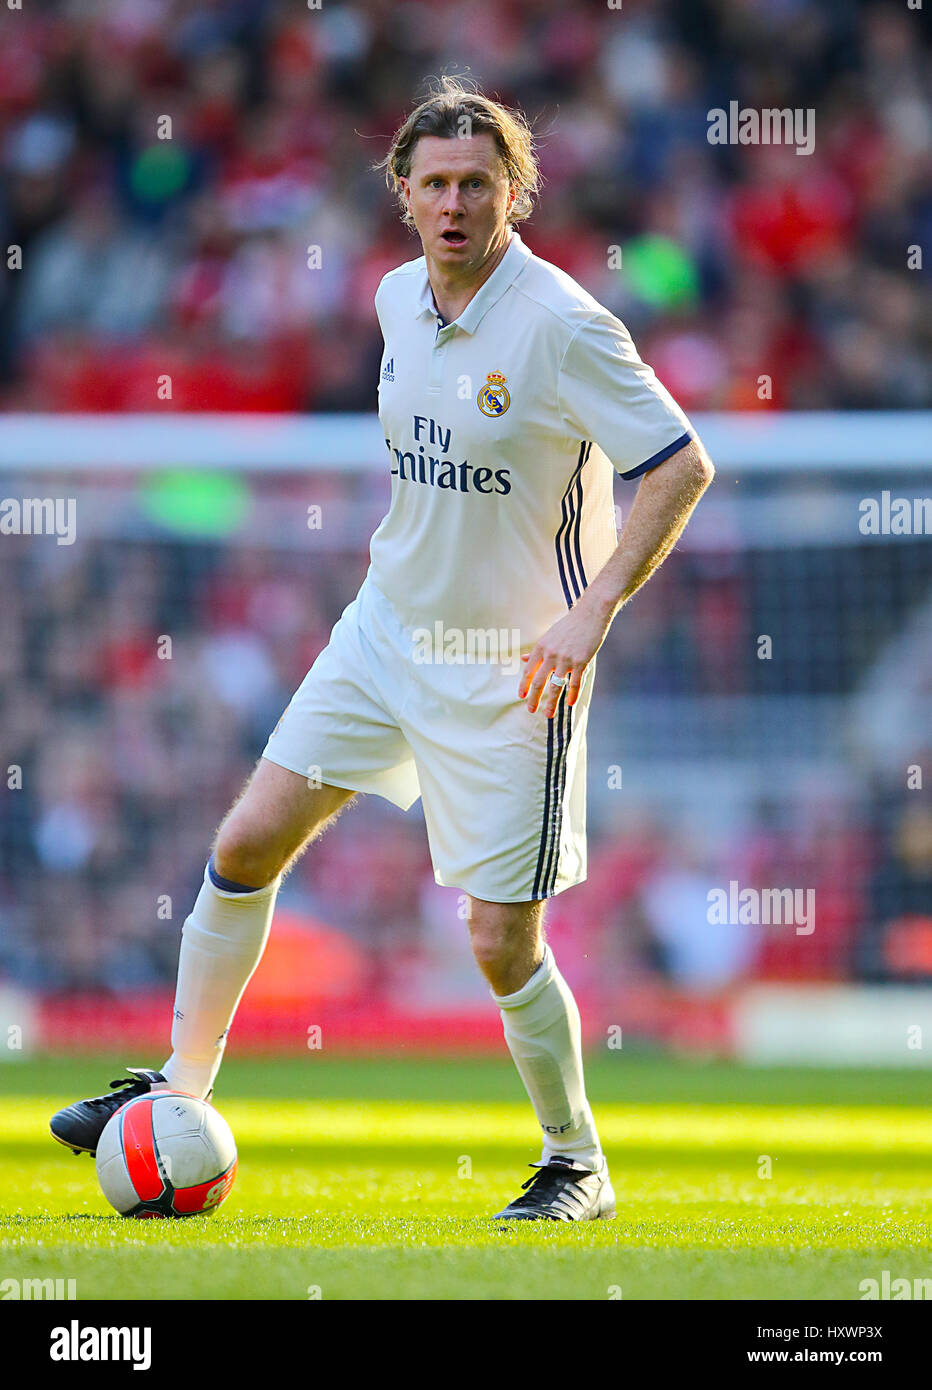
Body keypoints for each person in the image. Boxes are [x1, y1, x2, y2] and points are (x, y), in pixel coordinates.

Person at [51, 76, 714, 1222]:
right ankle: (176, 1088)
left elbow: (678, 464)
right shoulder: (395, 297)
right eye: (435, 183)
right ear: (401, 193)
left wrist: (591, 608)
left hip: (515, 672)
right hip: (383, 631)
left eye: (477, 182)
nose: (454, 203)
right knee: (247, 839)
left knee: (498, 939)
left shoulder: (559, 324)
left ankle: (576, 1162)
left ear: (514, 190)